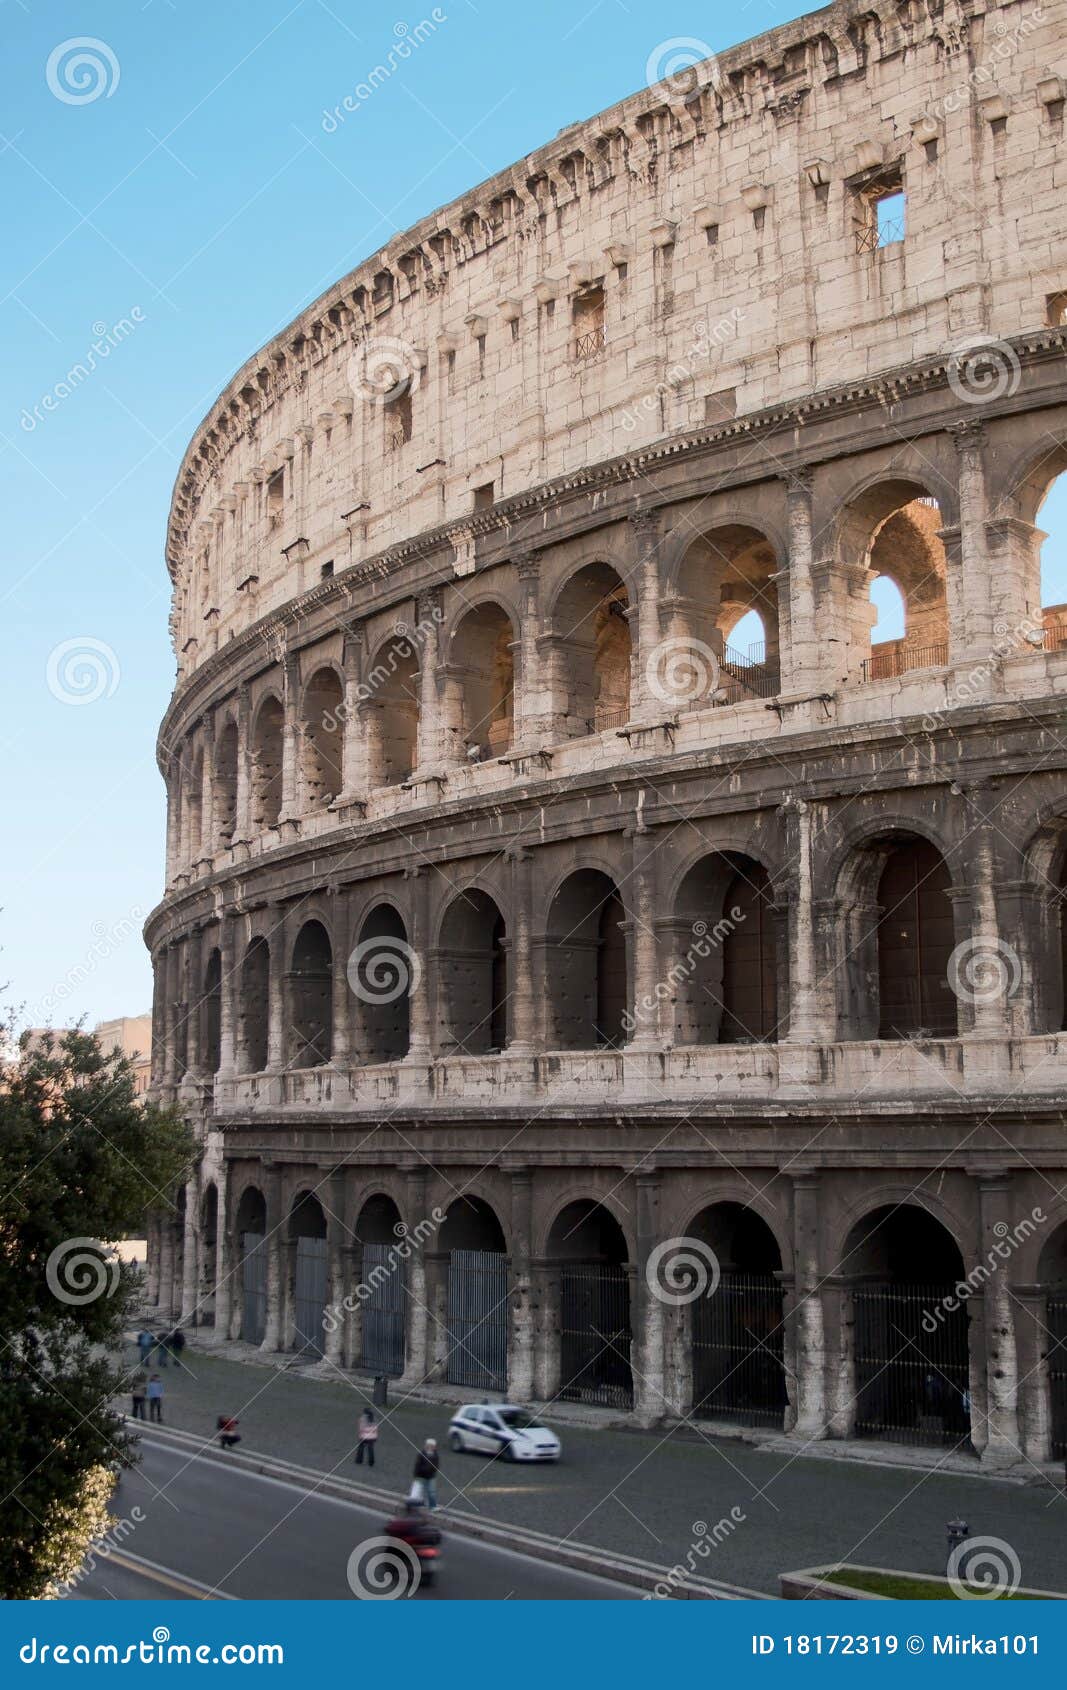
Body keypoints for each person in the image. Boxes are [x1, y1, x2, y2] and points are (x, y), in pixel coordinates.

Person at [412, 1438, 440, 1510]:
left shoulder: (436, 1455)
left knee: (432, 1492)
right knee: (418, 1491)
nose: (430, 1447)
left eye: (432, 1446)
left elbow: (436, 1466)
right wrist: (416, 1475)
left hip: (431, 1477)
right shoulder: (421, 1454)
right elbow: (417, 1465)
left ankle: (432, 1506)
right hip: (421, 1476)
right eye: (429, 1445)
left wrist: (432, 1471)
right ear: (426, 1446)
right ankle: (416, 1505)